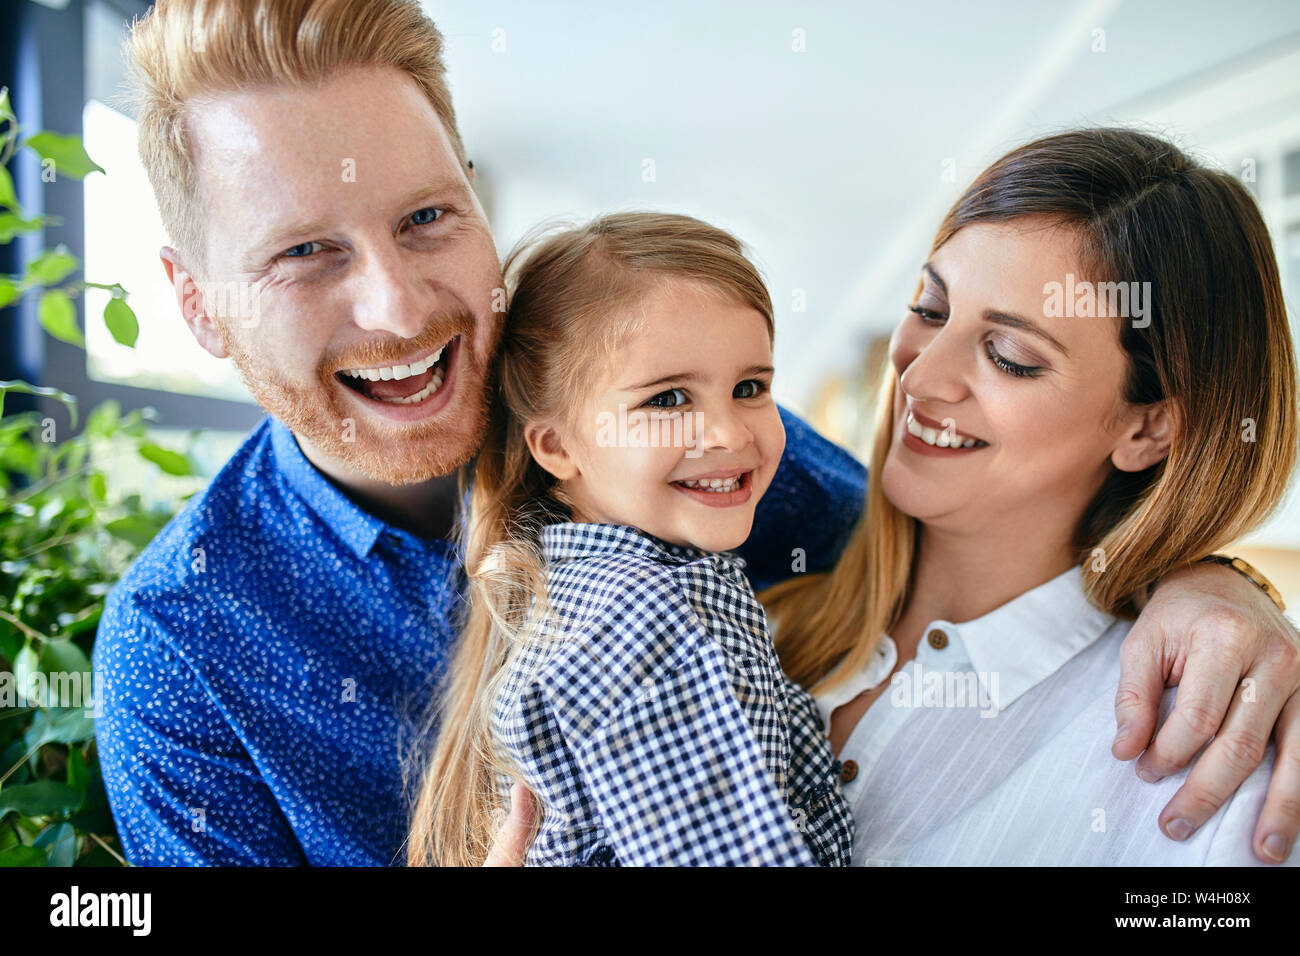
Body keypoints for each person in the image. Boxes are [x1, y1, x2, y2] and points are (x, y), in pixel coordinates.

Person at [92, 0, 1300, 867]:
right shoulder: (179, 647)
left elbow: (966, 535)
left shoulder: (718, 469)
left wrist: (1203, 575)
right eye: (305, 253)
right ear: (196, 301)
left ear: (476, 206)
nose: (400, 307)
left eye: (424, 218)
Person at [759, 128, 1300, 864]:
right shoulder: (748, 561)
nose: (919, 380)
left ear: (1149, 428)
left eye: (1010, 357)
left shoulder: (1208, 760)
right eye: (930, 308)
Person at [408, 212, 854, 866]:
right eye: (669, 400)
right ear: (557, 445)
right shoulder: (642, 614)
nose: (730, 433)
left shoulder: (586, 592)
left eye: (750, 387)